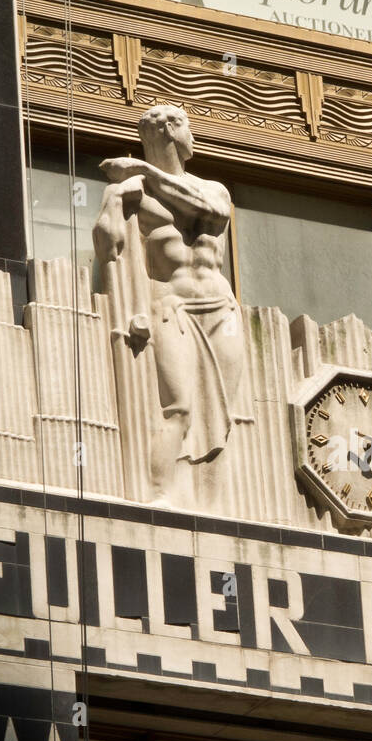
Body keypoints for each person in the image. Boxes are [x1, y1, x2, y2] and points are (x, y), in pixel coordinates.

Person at [93, 104, 244, 499]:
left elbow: (210, 211)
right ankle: (163, 496)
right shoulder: (136, 196)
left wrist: (144, 173)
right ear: (172, 132)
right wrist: (113, 200)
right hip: (172, 307)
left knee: (222, 415)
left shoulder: (213, 189)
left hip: (221, 309)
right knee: (178, 409)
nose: (194, 137)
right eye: (189, 128)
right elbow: (109, 247)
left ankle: (213, 501)